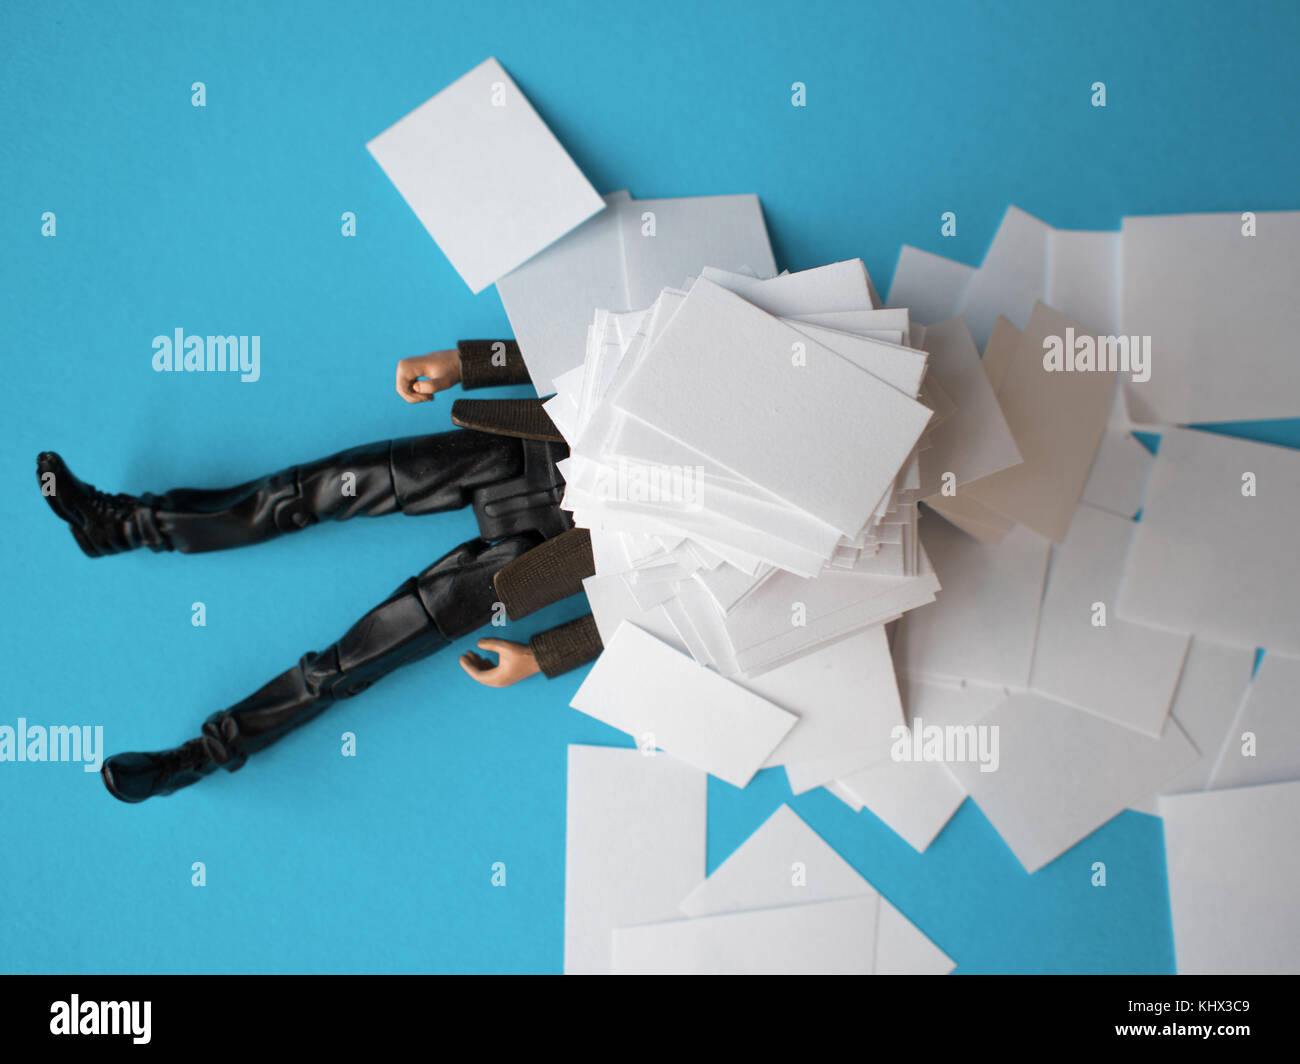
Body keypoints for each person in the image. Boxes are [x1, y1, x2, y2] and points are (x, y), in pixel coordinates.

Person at [35, 340, 600, 803]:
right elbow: (600, 344)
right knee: (310, 489)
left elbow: (683, 607)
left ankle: (204, 754)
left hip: (549, 554)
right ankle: (127, 525)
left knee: (357, 655)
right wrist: (466, 364)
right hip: (524, 447)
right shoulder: (692, 334)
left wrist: (546, 654)